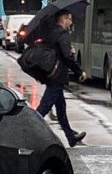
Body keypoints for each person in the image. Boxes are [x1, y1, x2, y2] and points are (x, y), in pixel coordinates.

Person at [35, 10, 88, 147]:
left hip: (50, 73)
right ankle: (29, 131)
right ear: (64, 19)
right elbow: (66, 57)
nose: (71, 22)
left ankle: (71, 137)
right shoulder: (63, 34)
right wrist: (79, 71)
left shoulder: (51, 34)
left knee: (61, 108)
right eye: (69, 19)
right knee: (44, 107)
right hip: (57, 75)